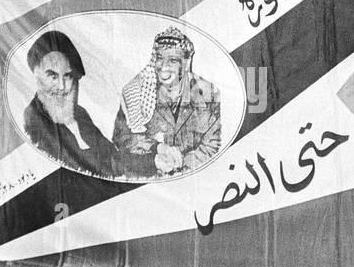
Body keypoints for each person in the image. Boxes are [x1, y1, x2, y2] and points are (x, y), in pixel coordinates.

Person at [113, 26, 221, 179]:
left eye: (172, 60)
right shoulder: (137, 93)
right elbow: (122, 138)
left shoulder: (208, 95)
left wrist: (180, 167)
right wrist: (157, 148)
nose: (164, 67)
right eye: (159, 58)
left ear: (186, 63)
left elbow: (214, 144)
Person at [22, 30, 118, 176]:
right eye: (53, 76)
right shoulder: (32, 120)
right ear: (38, 76)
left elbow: (111, 156)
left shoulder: (79, 114)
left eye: (67, 76)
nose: (61, 86)